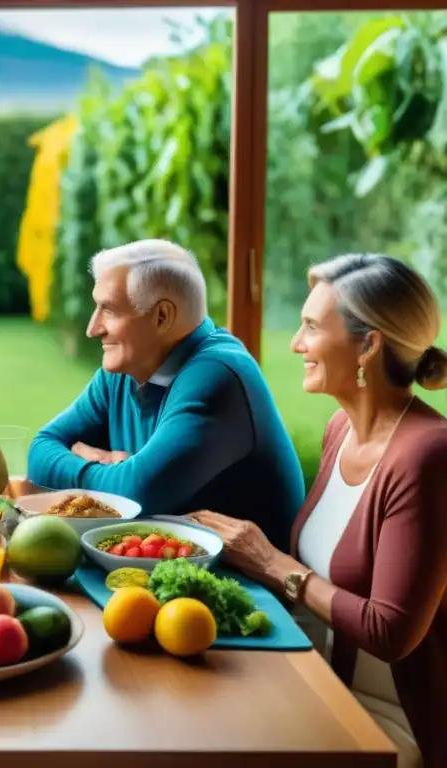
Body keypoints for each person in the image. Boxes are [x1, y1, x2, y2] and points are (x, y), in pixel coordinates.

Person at [190, 253, 447, 768]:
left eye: (310, 326)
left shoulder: (427, 455)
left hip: (390, 716)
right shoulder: (341, 429)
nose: (296, 343)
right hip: (314, 676)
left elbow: (390, 632)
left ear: (368, 344)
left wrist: (273, 564)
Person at [26, 239, 304, 552]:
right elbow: (40, 451)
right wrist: (109, 472)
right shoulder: (123, 370)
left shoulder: (218, 374)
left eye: (109, 310)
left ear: (162, 317)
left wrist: (101, 469)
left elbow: (134, 495)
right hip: (162, 568)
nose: (93, 328)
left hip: (246, 590)